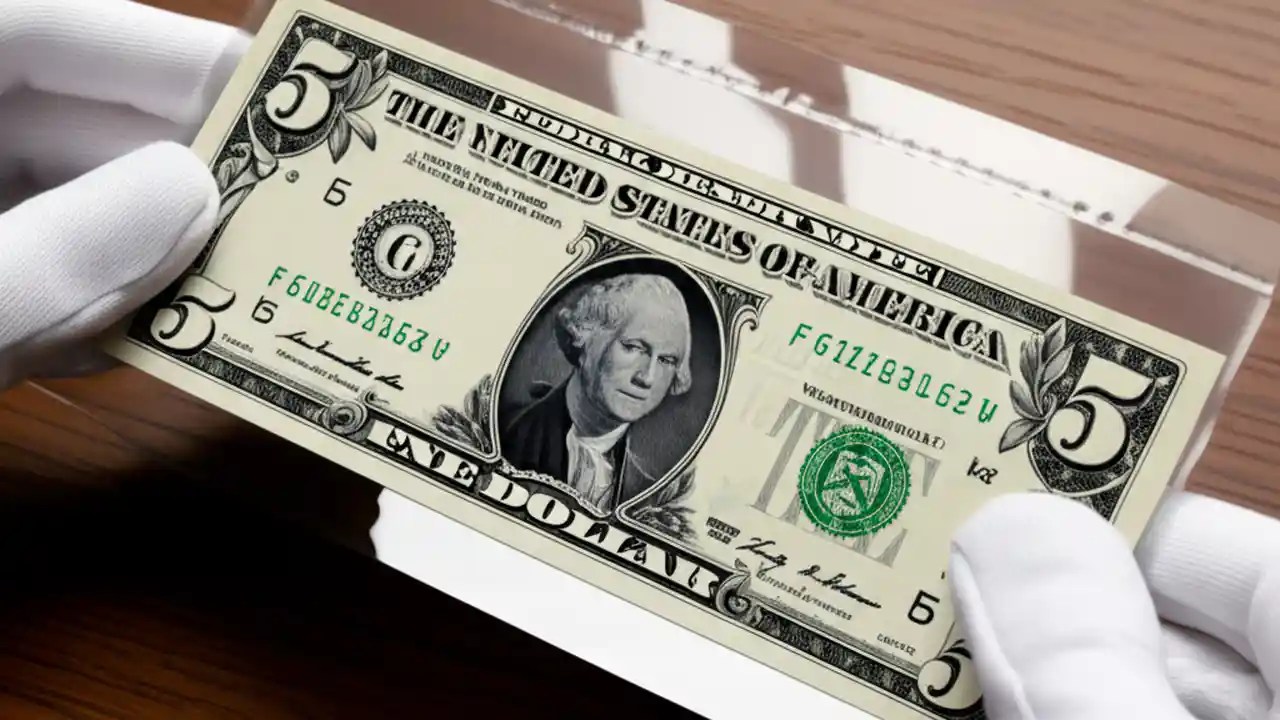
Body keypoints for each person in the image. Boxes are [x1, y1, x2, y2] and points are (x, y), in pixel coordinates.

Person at [0, 2, 1273, 718]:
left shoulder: (637, 443)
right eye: (640, 348)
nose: (658, 378)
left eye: (674, 364)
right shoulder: (528, 428)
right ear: (586, 333)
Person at [500, 272, 693, 513]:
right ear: (585, 337)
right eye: (633, 347)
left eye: (666, 360)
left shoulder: (653, 492)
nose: (647, 378)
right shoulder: (509, 431)